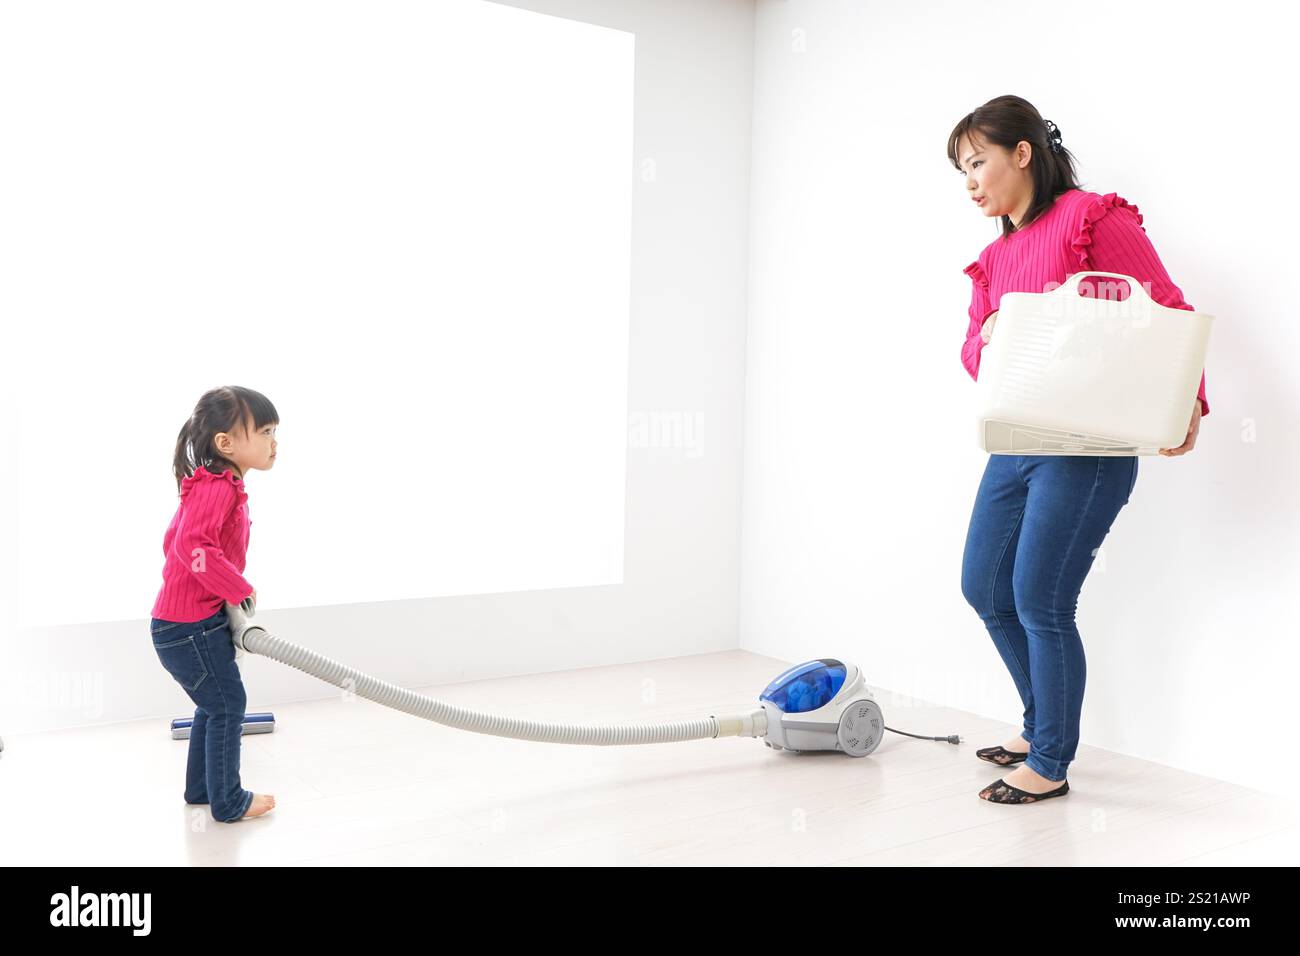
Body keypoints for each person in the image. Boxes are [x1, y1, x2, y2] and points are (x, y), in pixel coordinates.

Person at [948, 95, 1210, 805]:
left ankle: (1051, 762)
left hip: (1089, 446)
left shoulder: (1092, 217)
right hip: (1017, 441)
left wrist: (1191, 399)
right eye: (961, 172)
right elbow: (975, 354)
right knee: (984, 585)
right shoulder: (994, 258)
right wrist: (996, 330)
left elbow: (1166, 309)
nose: (970, 182)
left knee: (1040, 598)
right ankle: (1042, 725)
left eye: (977, 162)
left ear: (1022, 153)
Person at [150, 385, 279, 822]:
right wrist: (236, 587)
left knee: (214, 703)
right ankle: (229, 801)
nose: (273, 441)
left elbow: (175, 541)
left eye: (274, 431)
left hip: (185, 625)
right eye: (263, 432)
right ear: (226, 443)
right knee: (228, 705)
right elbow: (191, 544)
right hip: (189, 629)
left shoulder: (212, 487)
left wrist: (225, 591)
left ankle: (202, 790)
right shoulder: (218, 487)